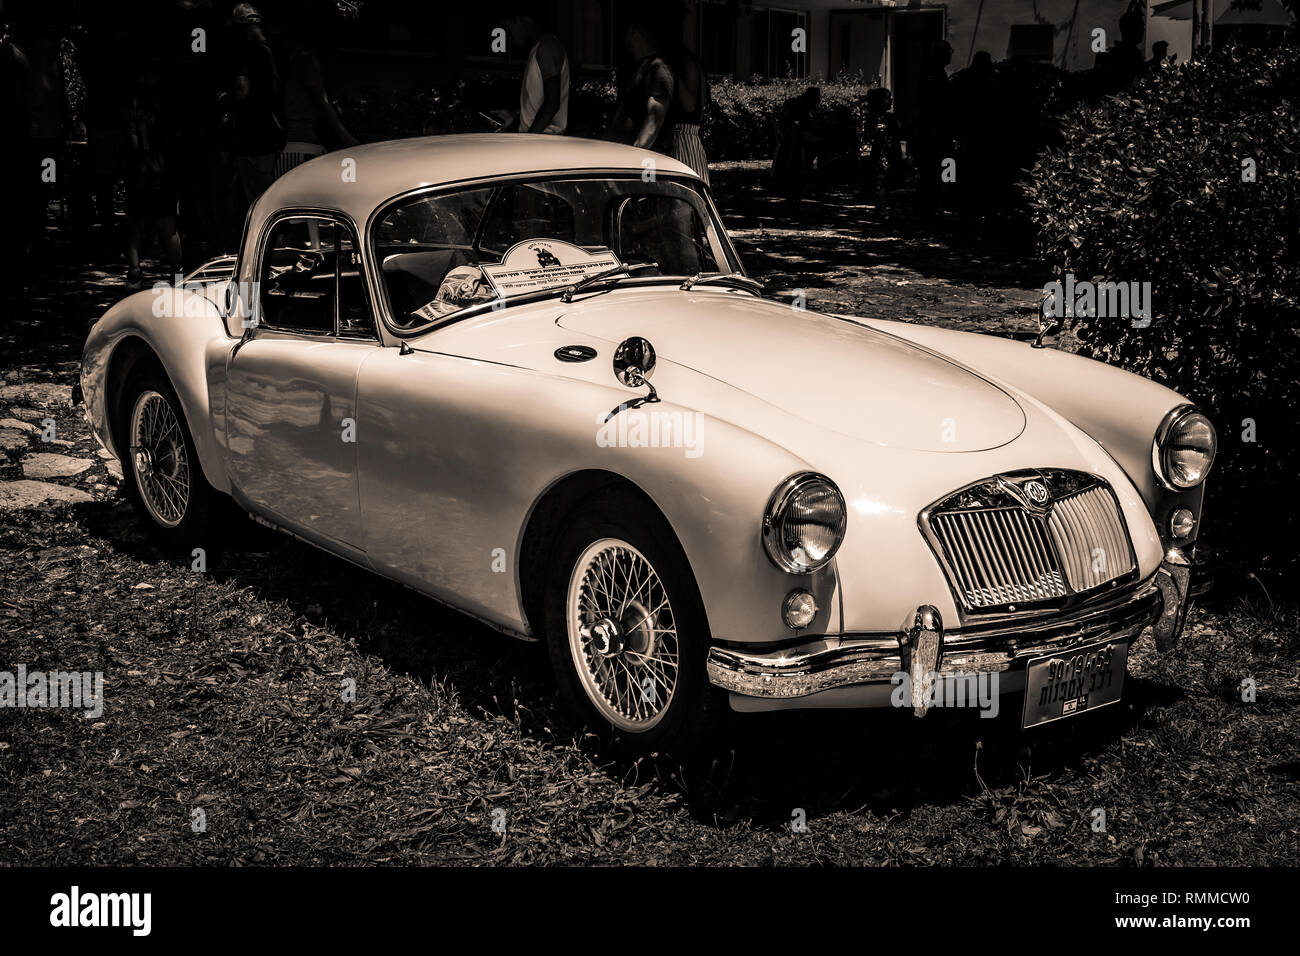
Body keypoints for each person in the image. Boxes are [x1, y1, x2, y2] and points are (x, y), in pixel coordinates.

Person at [221, 3, 283, 221]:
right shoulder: (271, 50)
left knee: (256, 198)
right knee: (266, 190)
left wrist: (224, 103)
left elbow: (242, 89)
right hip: (270, 131)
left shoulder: (248, 52)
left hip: (251, 135)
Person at [122, 68, 183, 288]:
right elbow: (171, 140)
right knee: (167, 224)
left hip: (136, 169)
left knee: (137, 223)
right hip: (157, 170)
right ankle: (177, 272)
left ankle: (134, 270)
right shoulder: (159, 104)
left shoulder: (128, 104)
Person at [275, 26, 358, 178]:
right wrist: (347, 139)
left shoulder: (294, 57)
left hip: (292, 139)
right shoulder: (307, 58)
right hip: (302, 139)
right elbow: (322, 101)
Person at [604, 19, 674, 154]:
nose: (623, 36)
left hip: (646, 161)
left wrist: (637, 154)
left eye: (626, 31)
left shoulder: (658, 69)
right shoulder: (638, 68)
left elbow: (655, 118)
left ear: (635, 33)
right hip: (625, 155)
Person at [496, 10, 569, 134]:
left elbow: (552, 102)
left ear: (519, 20)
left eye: (509, 29)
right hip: (539, 141)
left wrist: (529, 138)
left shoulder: (547, 47)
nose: (509, 38)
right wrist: (514, 115)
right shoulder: (539, 49)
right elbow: (540, 102)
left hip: (544, 141)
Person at [667, 35, 709, 183]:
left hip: (684, 139)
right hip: (687, 139)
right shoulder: (692, 63)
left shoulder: (688, 64)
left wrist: (671, 74)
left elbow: (690, 105)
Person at [771, 86, 821, 205]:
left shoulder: (801, 107)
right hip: (795, 141)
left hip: (793, 140)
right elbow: (805, 125)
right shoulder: (801, 109)